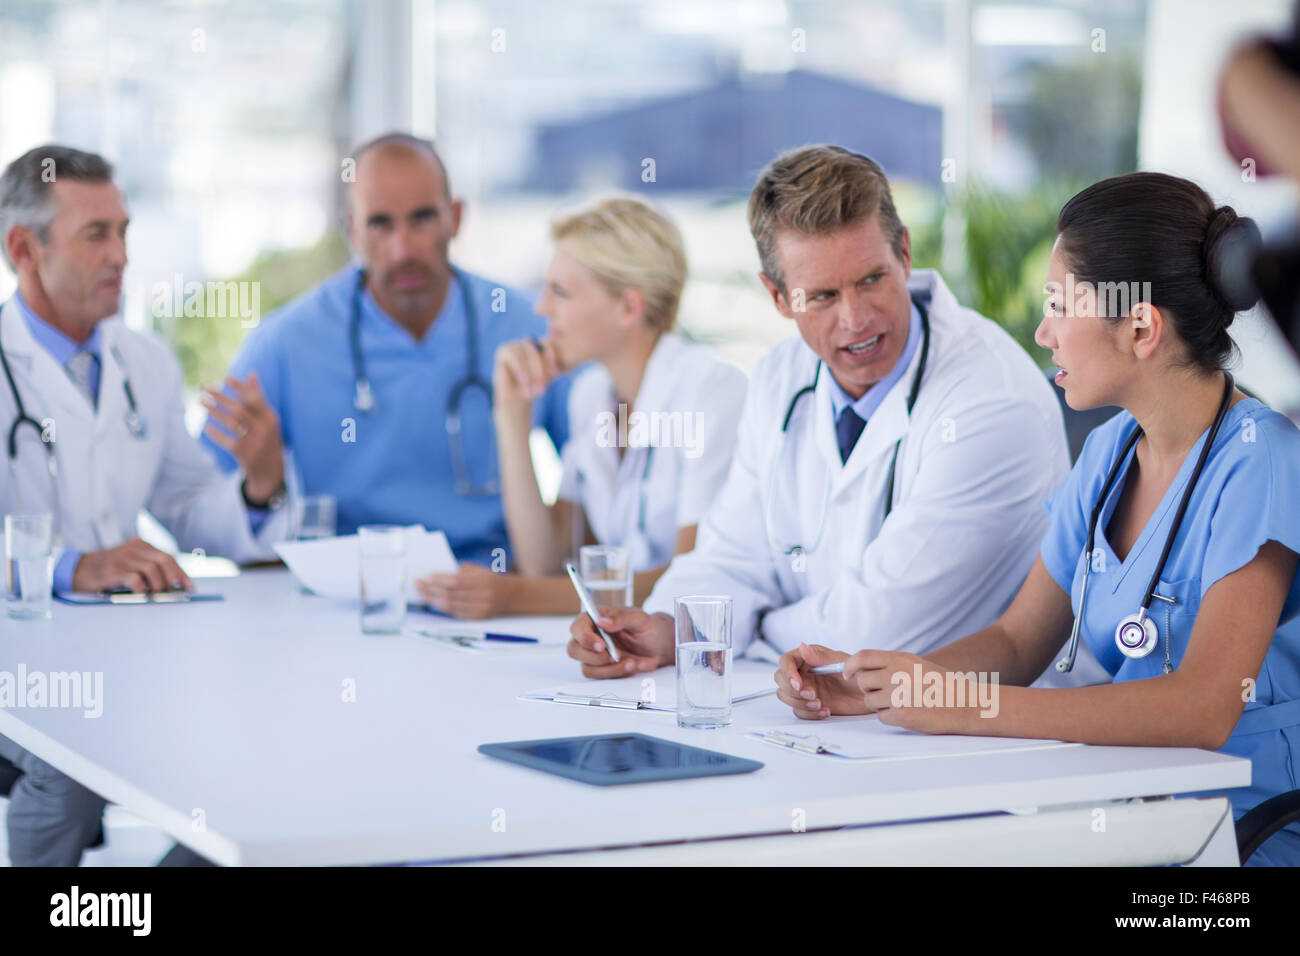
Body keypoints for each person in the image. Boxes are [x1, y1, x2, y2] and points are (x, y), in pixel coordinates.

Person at [774, 172, 1300, 867]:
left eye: (1059, 304)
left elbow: (1204, 708)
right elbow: (1020, 641)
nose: (1042, 329)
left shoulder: (1262, 461)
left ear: (1140, 327)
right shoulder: (1111, 453)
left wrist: (969, 707)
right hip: (1135, 809)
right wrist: (892, 683)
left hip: (1239, 836)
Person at [566, 144, 1103, 685]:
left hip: (989, 736)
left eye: (871, 279)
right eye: (822, 295)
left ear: (905, 253)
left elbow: (880, 631)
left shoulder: (990, 399)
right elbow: (732, 554)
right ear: (778, 297)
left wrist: (740, 627)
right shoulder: (782, 375)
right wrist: (667, 626)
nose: (857, 319)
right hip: (837, 717)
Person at [0, 144, 290, 866]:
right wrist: (75, 567)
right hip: (18, 653)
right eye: (96, 234)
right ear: (22, 249)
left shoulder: (144, 363)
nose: (121, 255)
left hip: (123, 648)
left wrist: (259, 481)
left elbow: (191, 506)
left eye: (124, 231)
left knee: (260, 730)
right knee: (69, 758)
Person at [201, 132, 571, 567]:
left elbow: (601, 477)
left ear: (455, 218)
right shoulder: (285, 343)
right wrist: (262, 487)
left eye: (422, 219)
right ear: (352, 230)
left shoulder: (530, 326)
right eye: (381, 224)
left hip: (491, 592)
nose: (403, 250)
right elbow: (202, 511)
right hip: (343, 597)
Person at [416, 197, 746, 617]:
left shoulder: (712, 392)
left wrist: (512, 597)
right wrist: (512, 420)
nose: (541, 308)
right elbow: (547, 563)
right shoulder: (590, 394)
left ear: (628, 307)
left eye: (561, 292)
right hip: (626, 653)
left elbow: (695, 582)